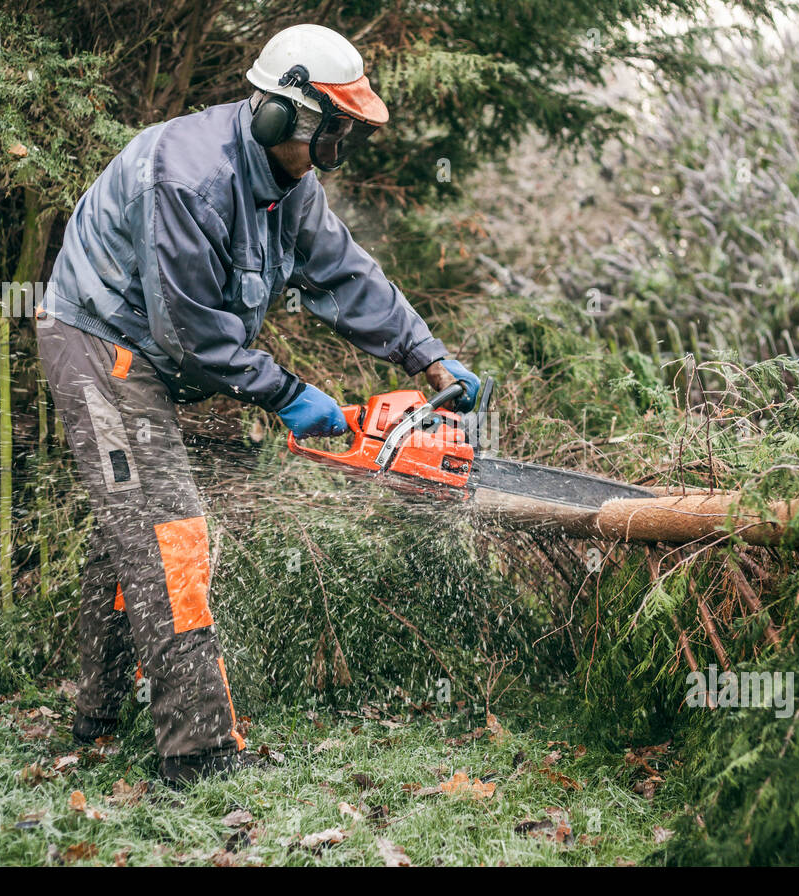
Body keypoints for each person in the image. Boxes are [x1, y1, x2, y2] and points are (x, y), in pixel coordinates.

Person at [34, 23, 480, 786]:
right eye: (332, 128)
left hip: (160, 348)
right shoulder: (189, 178)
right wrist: (290, 394)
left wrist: (424, 352)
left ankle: (96, 717)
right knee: (171, 535)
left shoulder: (288, 185)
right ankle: (197, 752)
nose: (340, 144)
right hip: (101, 345)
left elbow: (344, 273)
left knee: (130, 533)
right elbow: (192, 335)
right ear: (283, 115)